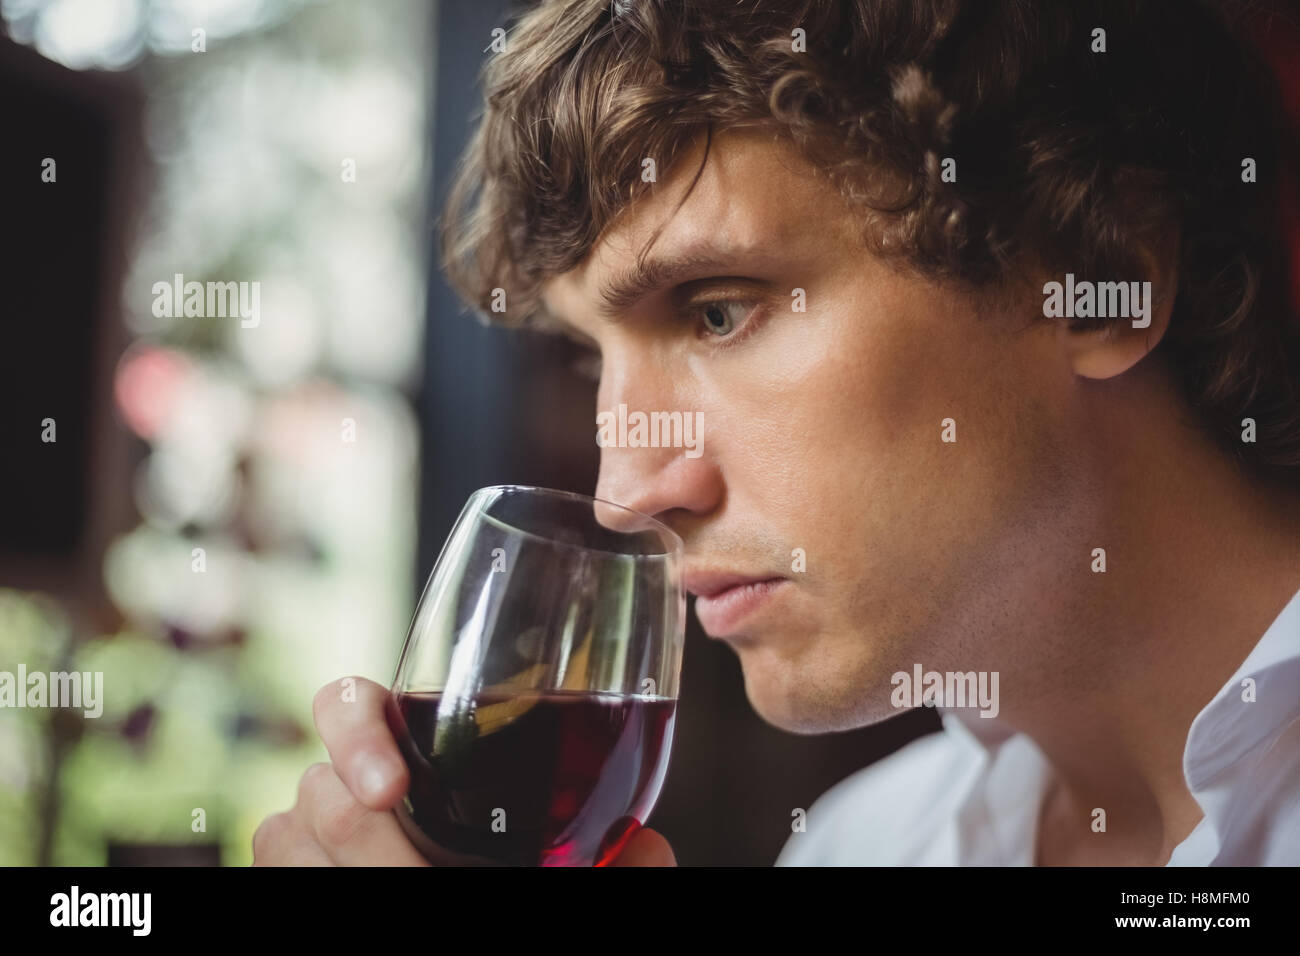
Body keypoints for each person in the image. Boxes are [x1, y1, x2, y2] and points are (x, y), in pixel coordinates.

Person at [252, 0, 1300, 866]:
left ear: (1102, 274)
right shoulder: (861, 845)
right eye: (589, 360)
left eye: (717, 311)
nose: (628, 489)